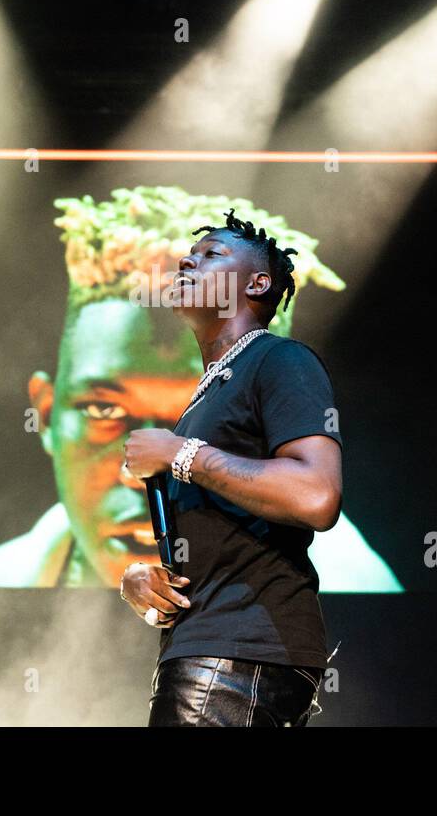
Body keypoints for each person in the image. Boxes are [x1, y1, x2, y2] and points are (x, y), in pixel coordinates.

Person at [0, 186, 402, 596]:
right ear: (47, 413)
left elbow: (317, 497)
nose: (139, 473)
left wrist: (179, 453)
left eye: (192, 416)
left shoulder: (357, 588)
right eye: (101, 410)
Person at [119, 204, 343, 726]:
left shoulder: (279, 360)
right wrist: (141, 579)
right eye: (187, 255)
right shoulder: (210, 394)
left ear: (258, 282)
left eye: (210, 254)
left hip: (243, 652)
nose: (186, 263)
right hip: (208, 648)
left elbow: (316, 494)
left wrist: (180, 454)